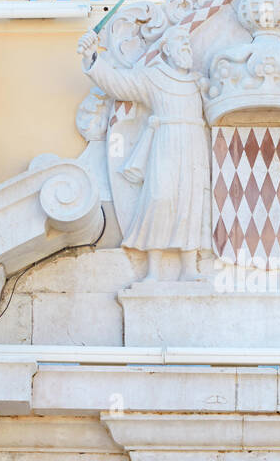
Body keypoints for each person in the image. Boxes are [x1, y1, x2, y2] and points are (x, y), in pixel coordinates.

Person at [77, 26, 210, 282]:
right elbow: (120, 85)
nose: (186, 48)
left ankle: (189, 267)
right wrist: (92, 58)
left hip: (194, 143)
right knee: (160, 197)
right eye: (180, 43)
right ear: (167, 49)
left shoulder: (196, 82)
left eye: (188, 44)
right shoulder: (154, 77)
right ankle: (154, 269)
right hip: (167, 142)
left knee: (190, 201)